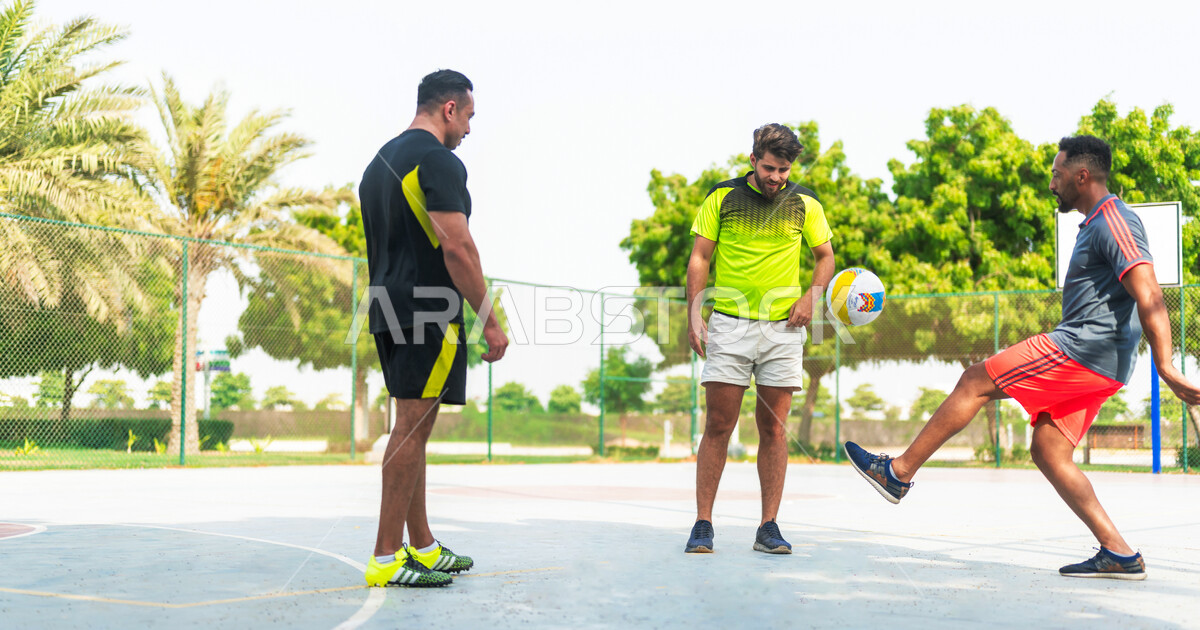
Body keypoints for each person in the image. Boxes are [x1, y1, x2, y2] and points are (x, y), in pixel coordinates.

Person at [845, 135, 1200, 580]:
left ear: (1081, 176)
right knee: (1049, 451)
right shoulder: (1098, 222)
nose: (1052, 183)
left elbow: (1149, 294)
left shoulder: (1115, 221)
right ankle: (1119, 552)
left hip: (1083, 350)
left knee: (975, 380)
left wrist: (1166, 365)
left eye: (1056, 174)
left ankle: (897, 473)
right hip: (1103, 362)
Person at [358, 69, 508, 587]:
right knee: (411, 428)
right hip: (428, 310)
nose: (468, 129)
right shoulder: (439, 161)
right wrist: (490, 321)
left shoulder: (379, 163)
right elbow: (458, 247)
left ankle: (421, 545)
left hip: (387, 306)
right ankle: (385, 556)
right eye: (468, 117)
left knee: (413, 426)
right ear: (449, 108)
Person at [684, 123, 836, 554]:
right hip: (729, 325)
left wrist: (811, 297)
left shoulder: (805, 202)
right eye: (769, 168)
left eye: (784, 170)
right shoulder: (722, 197)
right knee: (718, 425)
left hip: (783, 330)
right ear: (753, 160)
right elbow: (700, 257)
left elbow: (825, 257)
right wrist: (694, 314)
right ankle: (702, 524)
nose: (776, 177)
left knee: (774, 428)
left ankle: (768, 526)